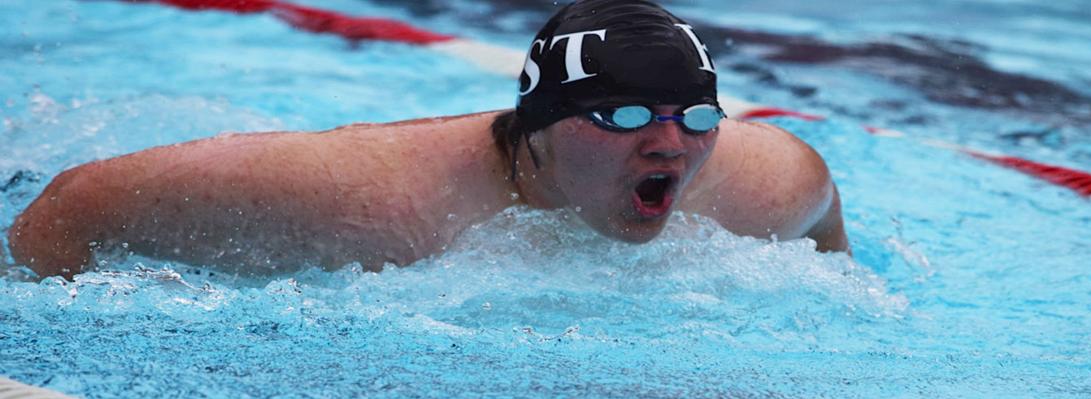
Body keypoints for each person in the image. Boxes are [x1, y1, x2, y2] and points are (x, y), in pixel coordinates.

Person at [6, 0, 849, 281]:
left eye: (694, 118)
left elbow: (828, 241)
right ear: (539, 126)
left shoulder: (770, 181)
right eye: (624, 117)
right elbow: (79, 201)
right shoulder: (370, 203)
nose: (670, 146)